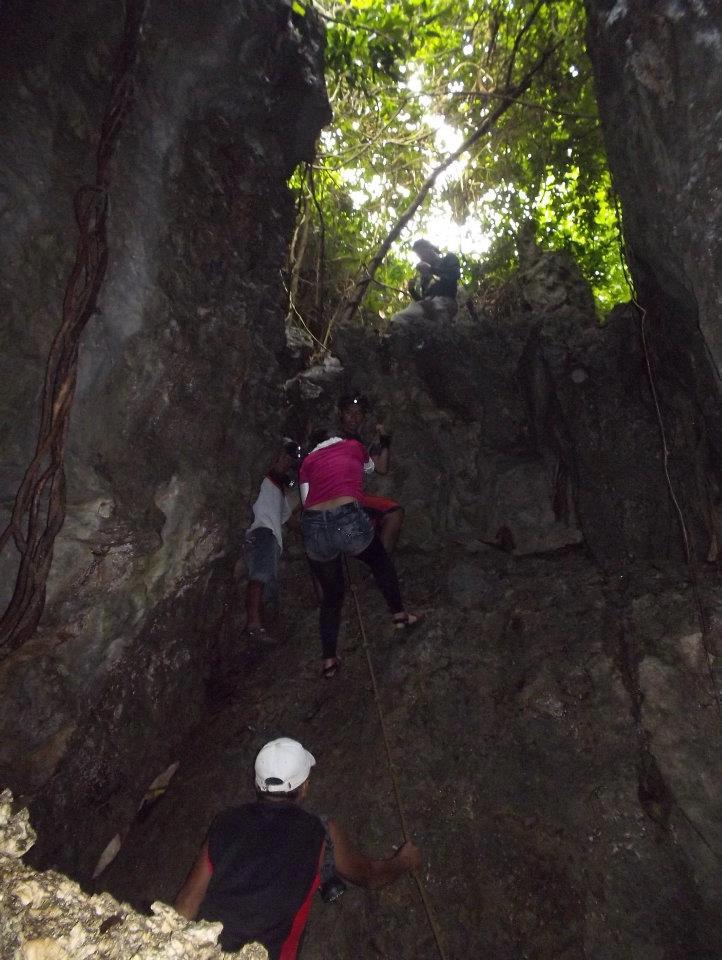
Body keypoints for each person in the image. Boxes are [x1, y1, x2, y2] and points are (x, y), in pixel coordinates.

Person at [174, 737, 422, 959]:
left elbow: (187, 904)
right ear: (304, 787)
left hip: (205, 950)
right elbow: (370, 876)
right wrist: (405, 860)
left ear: (258, 784)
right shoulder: (321, 833)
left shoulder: (225, 822)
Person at [299, 428, 422, 678]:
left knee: (332, 595)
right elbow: (369, 469)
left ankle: (329, 660)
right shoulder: (352, 446)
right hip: (346, 519)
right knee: (379, 561)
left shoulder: (307, 462)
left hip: (314, 528)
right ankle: (399, 615)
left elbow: (306, 500)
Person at [244, 439, 301, 641]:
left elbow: (288, 519)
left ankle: (262, 630)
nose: (287, 461)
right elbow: (275, 469)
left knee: (269, 587)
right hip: (262, 533)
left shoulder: (280, 492)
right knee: (260, 575)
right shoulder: (265, 479)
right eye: (284, 456)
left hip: (273, 540)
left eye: (290, 459)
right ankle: (253, 625)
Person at [337, 393, 404, 554]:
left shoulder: (361, 440)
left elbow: (381, 467)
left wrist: (384, 441)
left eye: (358, 413)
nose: (354, 417)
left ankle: (381, 567)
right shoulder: (332, 437)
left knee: (394, 513)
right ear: (340, 413)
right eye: (349, 412)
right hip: (336, 498)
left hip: (356, 498)